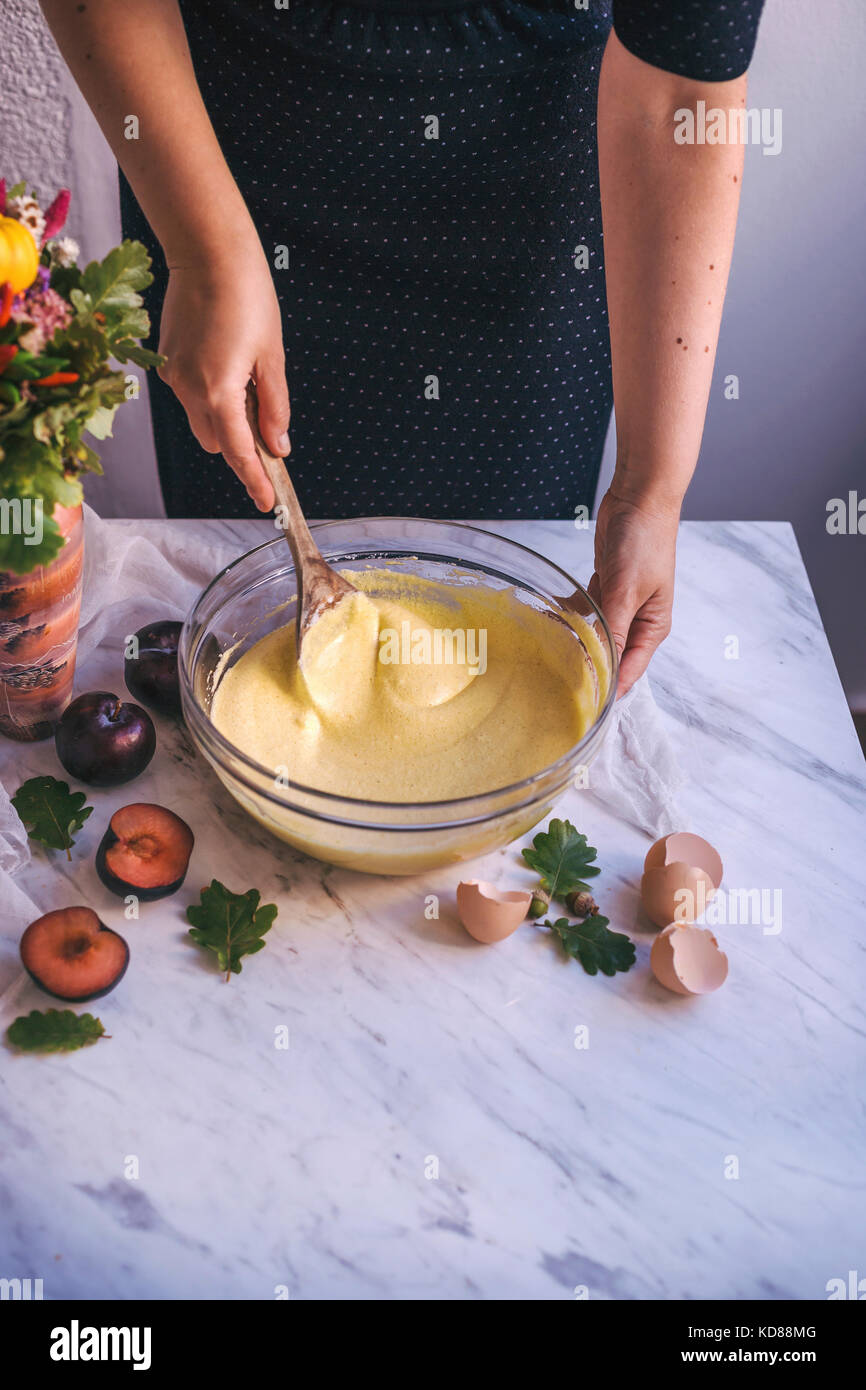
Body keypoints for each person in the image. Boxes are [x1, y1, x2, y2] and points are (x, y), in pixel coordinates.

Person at [40, 0, 764, 694]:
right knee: (238, 584)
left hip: (534, 212)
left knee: (515, 571)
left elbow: (678, 92)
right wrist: (205, 252)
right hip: (219, 165)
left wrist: (650, 486)